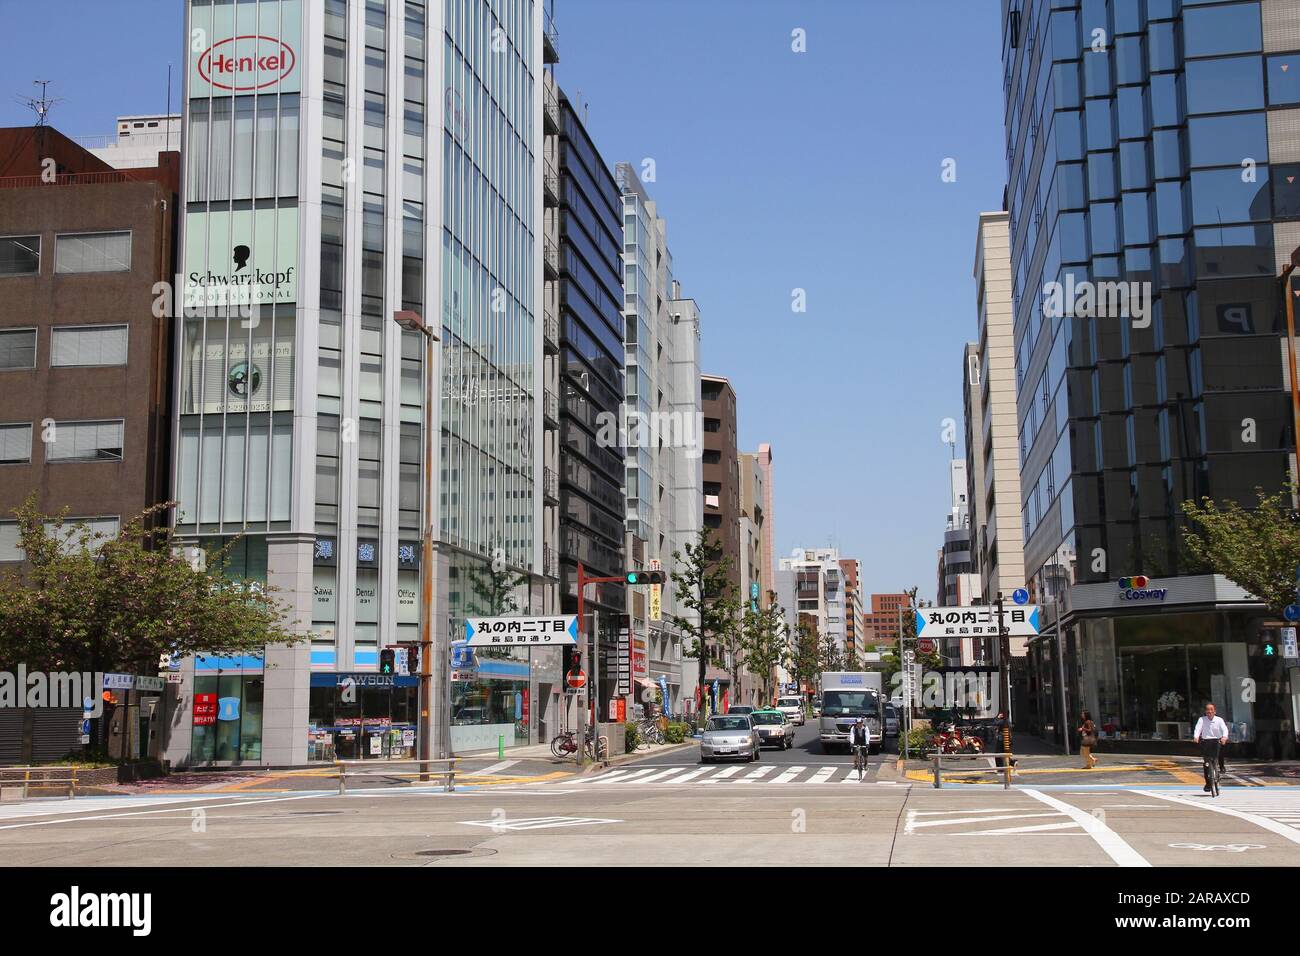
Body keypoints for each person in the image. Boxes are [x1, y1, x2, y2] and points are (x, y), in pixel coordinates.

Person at [1193, 702, 1228, 793]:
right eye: (1207, 710)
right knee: (1206, 763)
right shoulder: (1202, 719)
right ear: (1205, 712)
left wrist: (1224, 737)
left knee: (1219, 753)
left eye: (1211, 710)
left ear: (1214, 711)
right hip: (1206, 741)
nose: (1209, 712)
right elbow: (1198, 728)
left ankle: (1221, 767)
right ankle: (1208, 783)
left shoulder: (1219, 720)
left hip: (1216, 740)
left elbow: (1224, 729)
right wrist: (1196, 736)